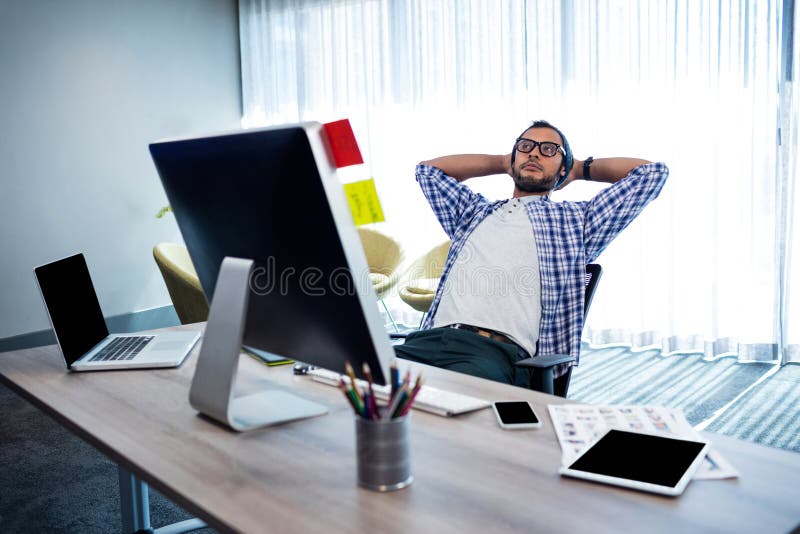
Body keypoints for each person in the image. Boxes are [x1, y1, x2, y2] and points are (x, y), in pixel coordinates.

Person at [394, 120, 669, 388]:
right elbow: (428, 171)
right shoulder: (473, 213)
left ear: (563, 167)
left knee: (451, 415)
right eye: (526, 146)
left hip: (491, 353)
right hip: (426, 341)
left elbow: (652, 174)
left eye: (549, 149)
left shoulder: (576, 222)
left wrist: (578, 169)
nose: (534, 152)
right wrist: (505, 162)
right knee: (358, 379)